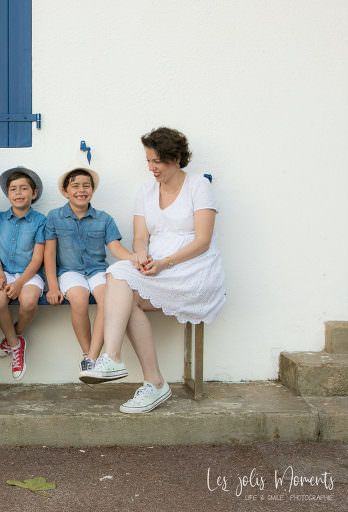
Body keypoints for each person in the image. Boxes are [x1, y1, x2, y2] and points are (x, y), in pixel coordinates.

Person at [84, 127, 225, 414]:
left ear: (175, 158)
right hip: (156, 266)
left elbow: (202, 241)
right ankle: (143, 375)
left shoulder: (199, 186)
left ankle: (131, 369)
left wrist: (165, 262)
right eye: (148, 161)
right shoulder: (146, 191)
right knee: (120, 273)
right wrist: (140, 255)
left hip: (192, 267)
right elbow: (139, 237)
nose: (152, 168)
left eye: (157, 162)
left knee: (119, 286)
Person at [43, 167, 134, 379]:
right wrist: (53, 286)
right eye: (75, 186)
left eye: (86, 186)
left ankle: (92, 358)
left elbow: (115, 247)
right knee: (79, 298)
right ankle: (88, 356)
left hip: (97, 270)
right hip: (69, 271)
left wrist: (133, 258)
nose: (81, 190)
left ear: (92, 190)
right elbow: (49, 253)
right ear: (66, 192)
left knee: (106, 298)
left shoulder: (104, 218)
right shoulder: (54, 217)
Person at [0, 167, 47, 380]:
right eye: (13, 189)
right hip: (2, 272)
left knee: (29, 301)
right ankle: (15, 344)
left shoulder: (41, 221)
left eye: (24, 188)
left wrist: (20, 283)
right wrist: (0, 275)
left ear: (34, 193)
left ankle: (13, 334)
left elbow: (37, 258)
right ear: (7, 194)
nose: (18, 193)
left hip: (28, 274)